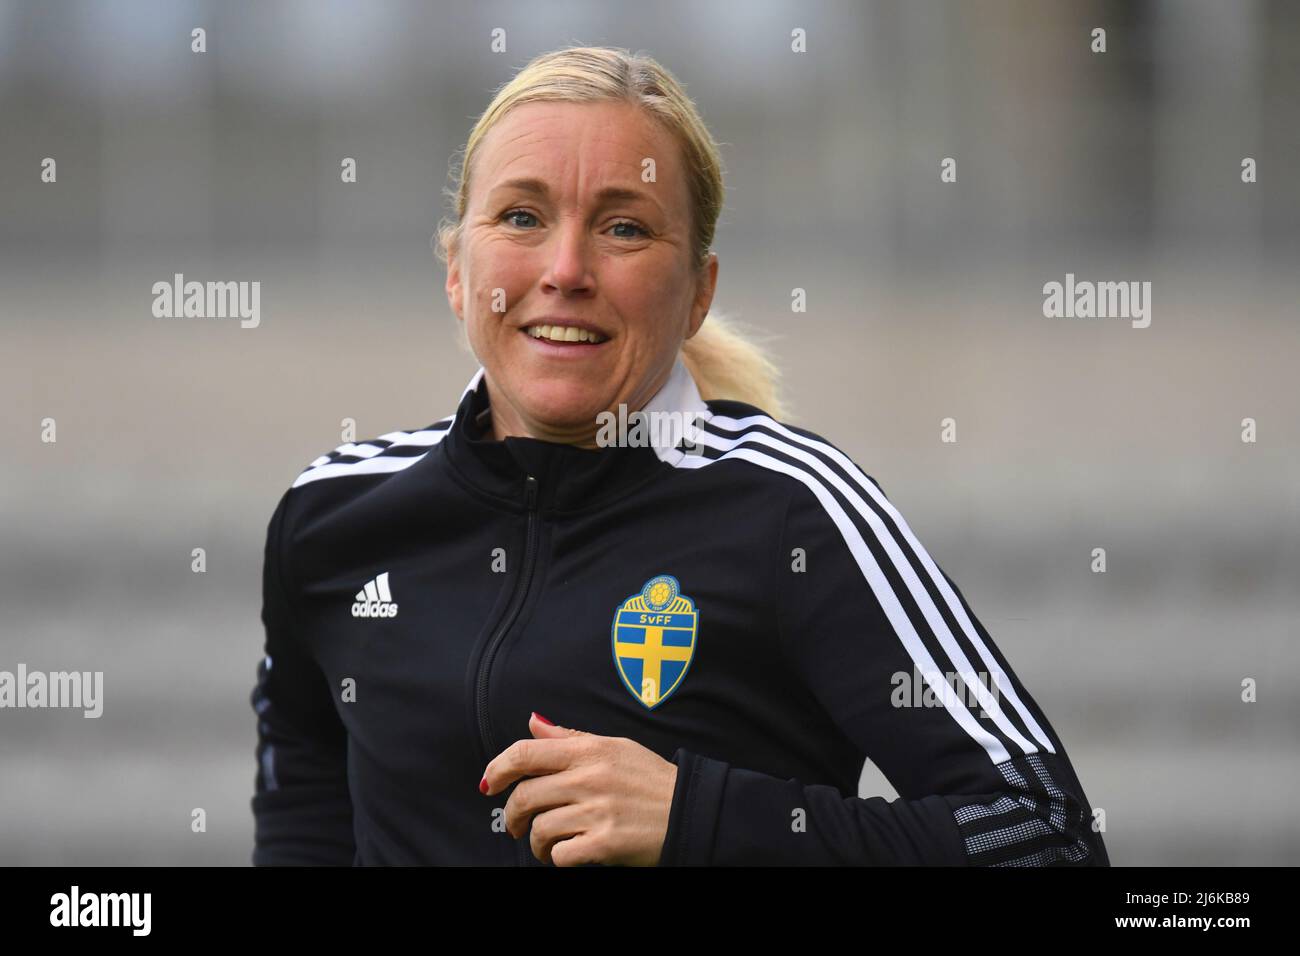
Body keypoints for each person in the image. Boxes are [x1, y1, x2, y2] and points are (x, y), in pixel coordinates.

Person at [250, 44, 1109, 866]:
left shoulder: (794, 511)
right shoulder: (331, 518)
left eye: (624, 228)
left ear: (698, 293)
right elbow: (305, 818)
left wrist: (701, 819)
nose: (566, 268)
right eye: (521, 216)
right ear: (456, 268)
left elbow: (1048, 834)